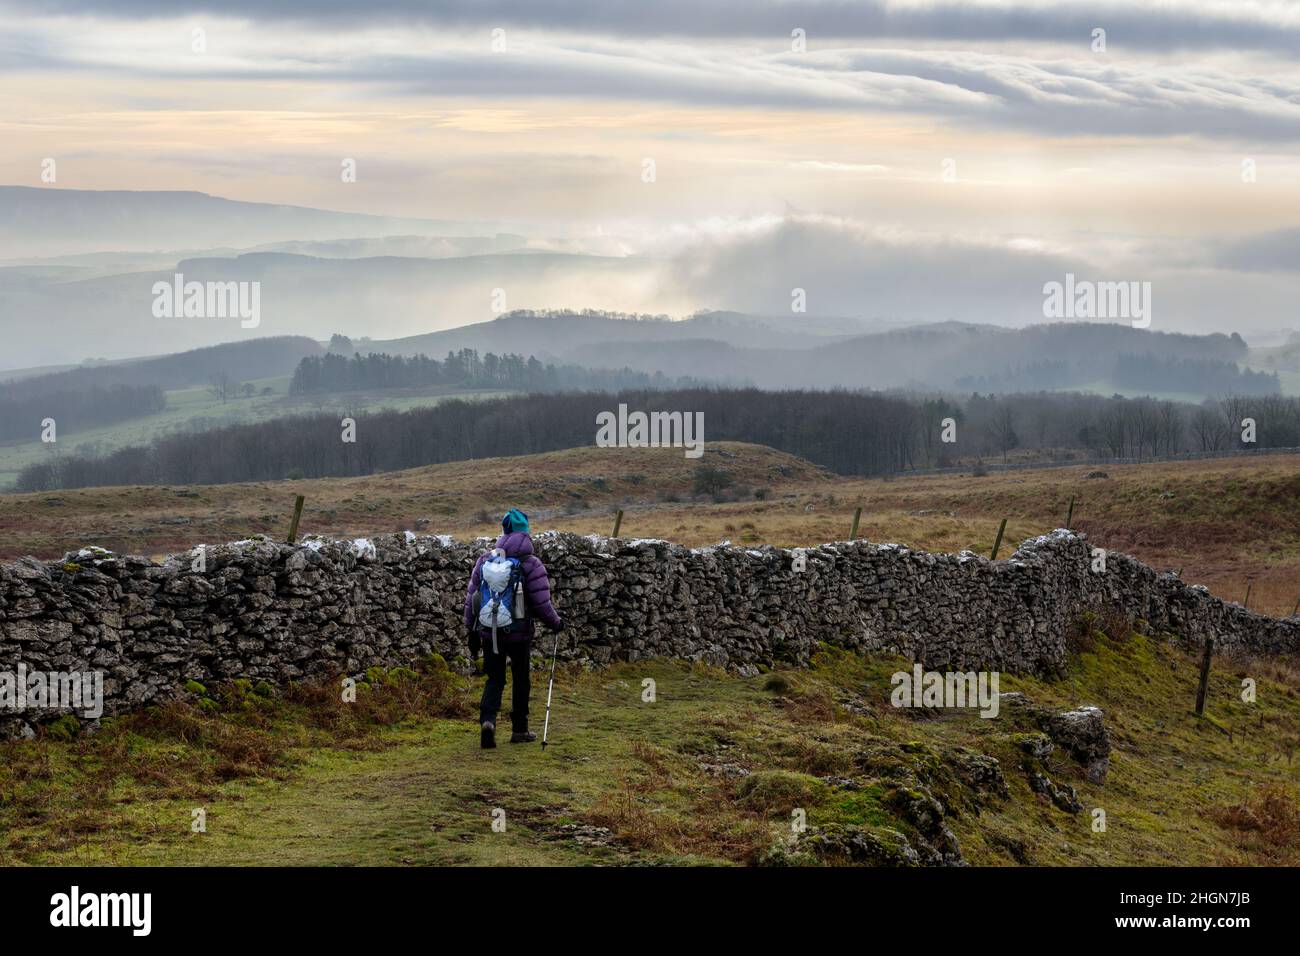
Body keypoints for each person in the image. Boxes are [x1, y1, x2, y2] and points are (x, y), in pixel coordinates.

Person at [464, 509, 563, 748]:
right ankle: (519, 729)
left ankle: (488, 721)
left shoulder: (485, 560)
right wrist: (556, 623)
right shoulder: (532, 563)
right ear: (526, 532)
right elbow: (541, 603)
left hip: (490, 631)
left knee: (494, 679)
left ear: (504, 531)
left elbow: (472, 598)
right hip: (519, 634)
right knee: (521, 679)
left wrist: (471, 631)